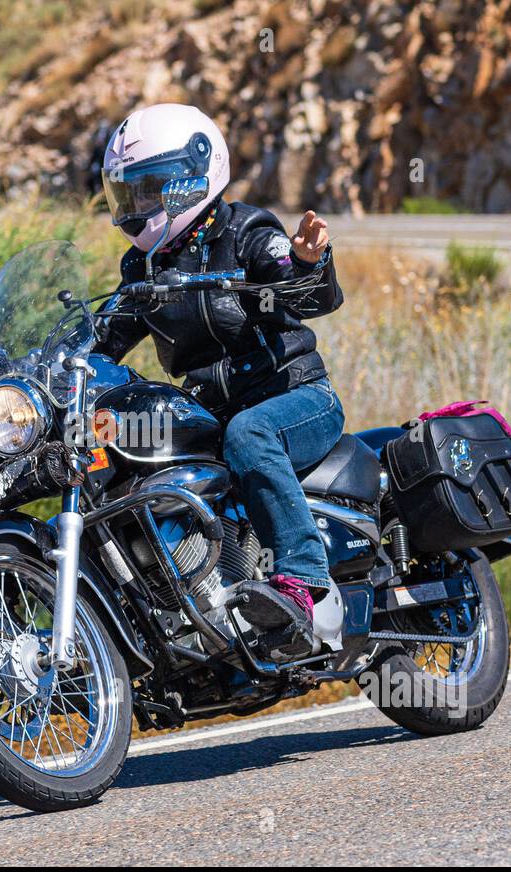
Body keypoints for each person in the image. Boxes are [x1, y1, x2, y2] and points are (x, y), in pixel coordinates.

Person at [95, 102, 345, 662]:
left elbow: (304, 292)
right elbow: (100, 336)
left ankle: (303, 582)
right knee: (125, 448)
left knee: (249, 435)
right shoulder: (144, 269)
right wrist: (22, 373)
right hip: (216, 412)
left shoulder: (247, 230)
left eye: (150, 189)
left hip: (296, 397)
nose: (137, 207)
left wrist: (307, 262)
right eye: (127, 193)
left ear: (193, 174)